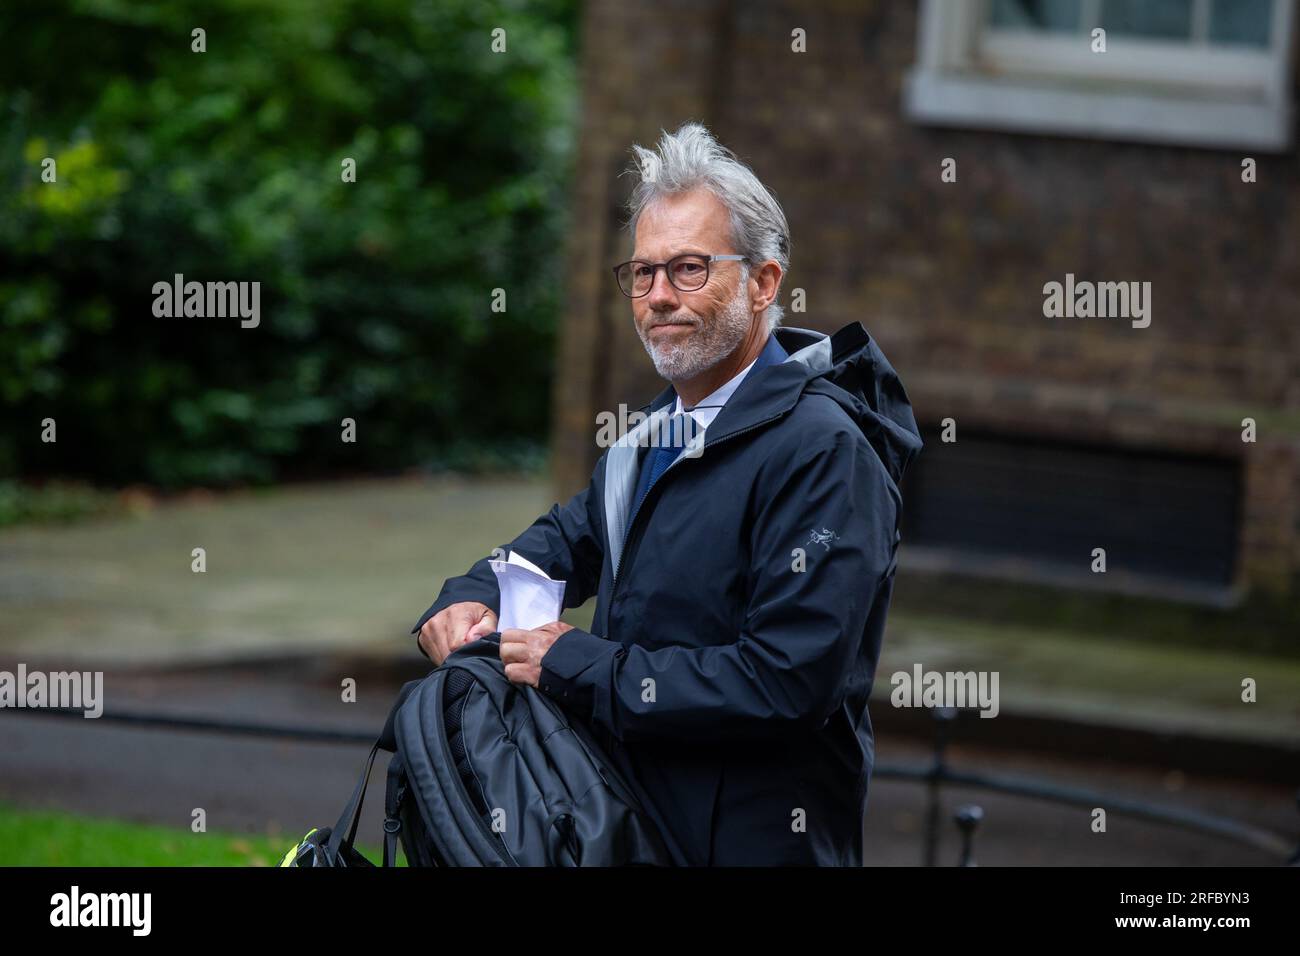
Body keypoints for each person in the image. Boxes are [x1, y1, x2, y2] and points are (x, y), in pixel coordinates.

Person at [413, 122, 922, 865]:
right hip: (629, 828)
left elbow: (786, 681)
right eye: (643, 273)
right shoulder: (655, 432)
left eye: (688, 269)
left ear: (764, 281)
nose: (658, 296)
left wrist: (579, 666)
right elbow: (563, 542)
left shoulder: (824, 451)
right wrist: (467, 592)